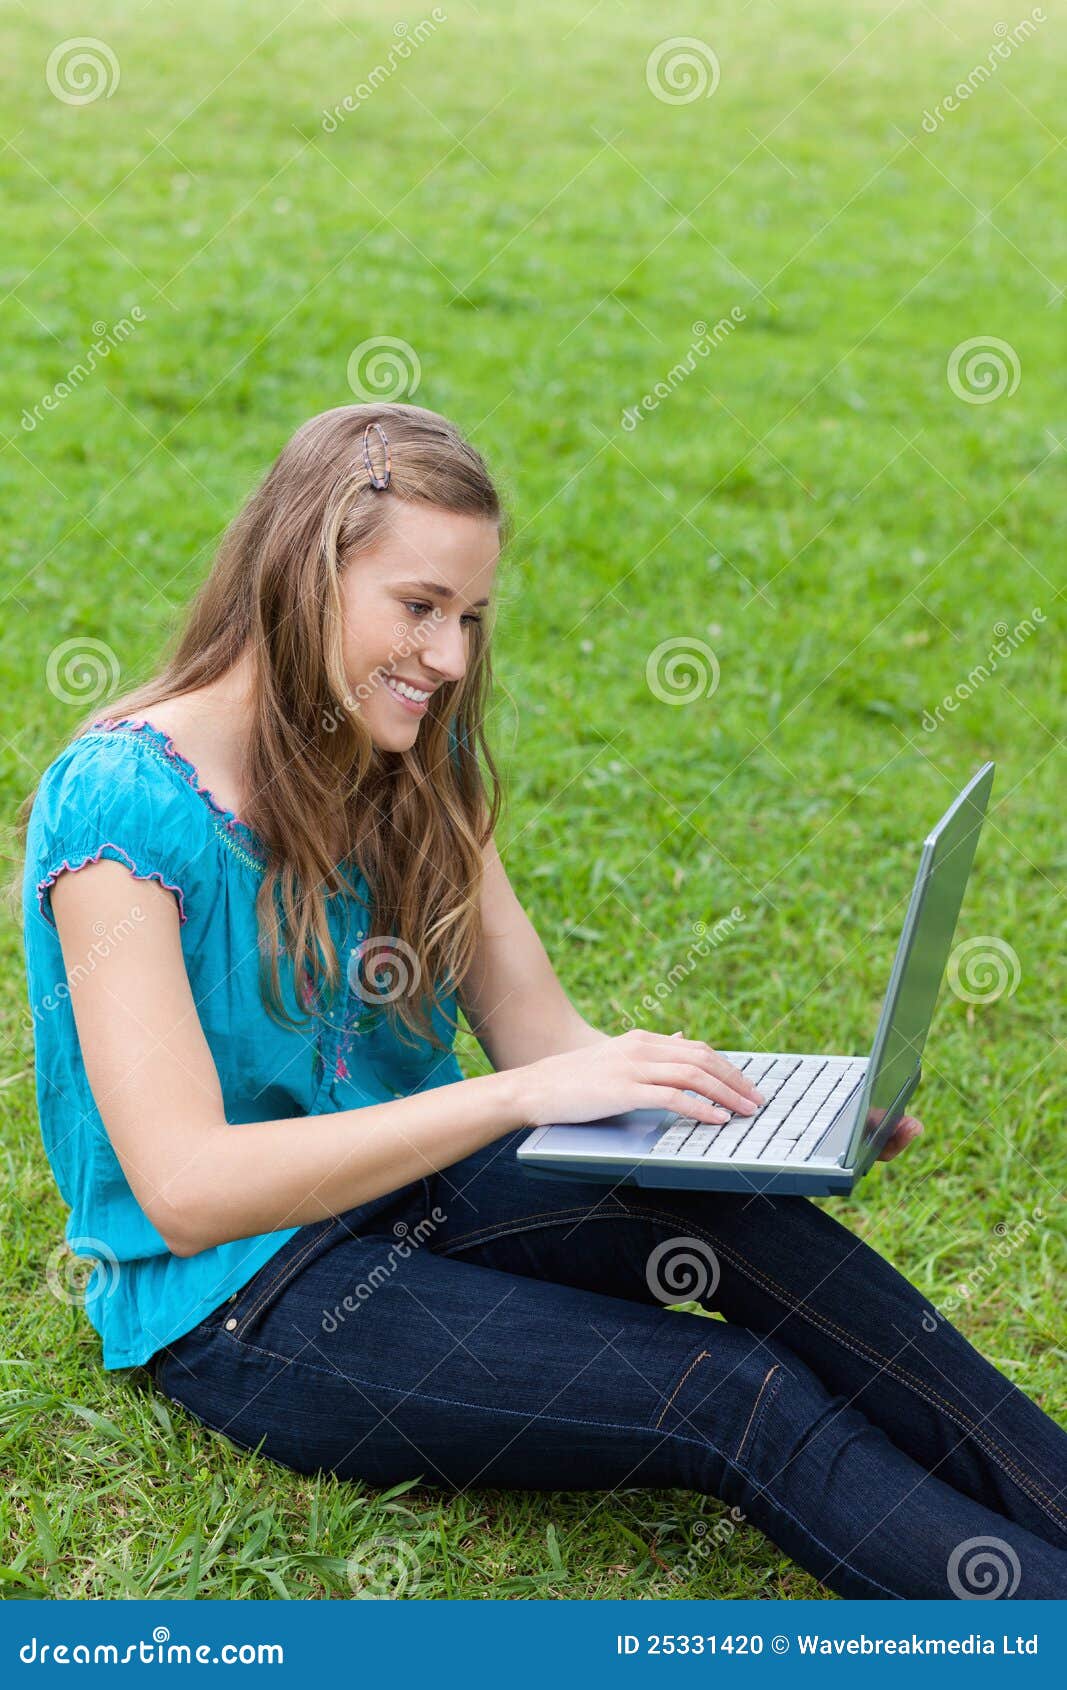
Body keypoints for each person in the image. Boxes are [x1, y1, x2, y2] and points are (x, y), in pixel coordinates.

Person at [14, 403, 1067, 1601]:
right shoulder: (121, 808)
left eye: (467, 617)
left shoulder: (416, 761)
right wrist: (517, 1095)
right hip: (246, 1300)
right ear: (302, 574)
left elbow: (547, 1048)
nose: (451, 657)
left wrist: (755, 1119)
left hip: (410, 1191)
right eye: (417, 607)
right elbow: (188, 1188)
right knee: (733, 1398)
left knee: (755, 1235)